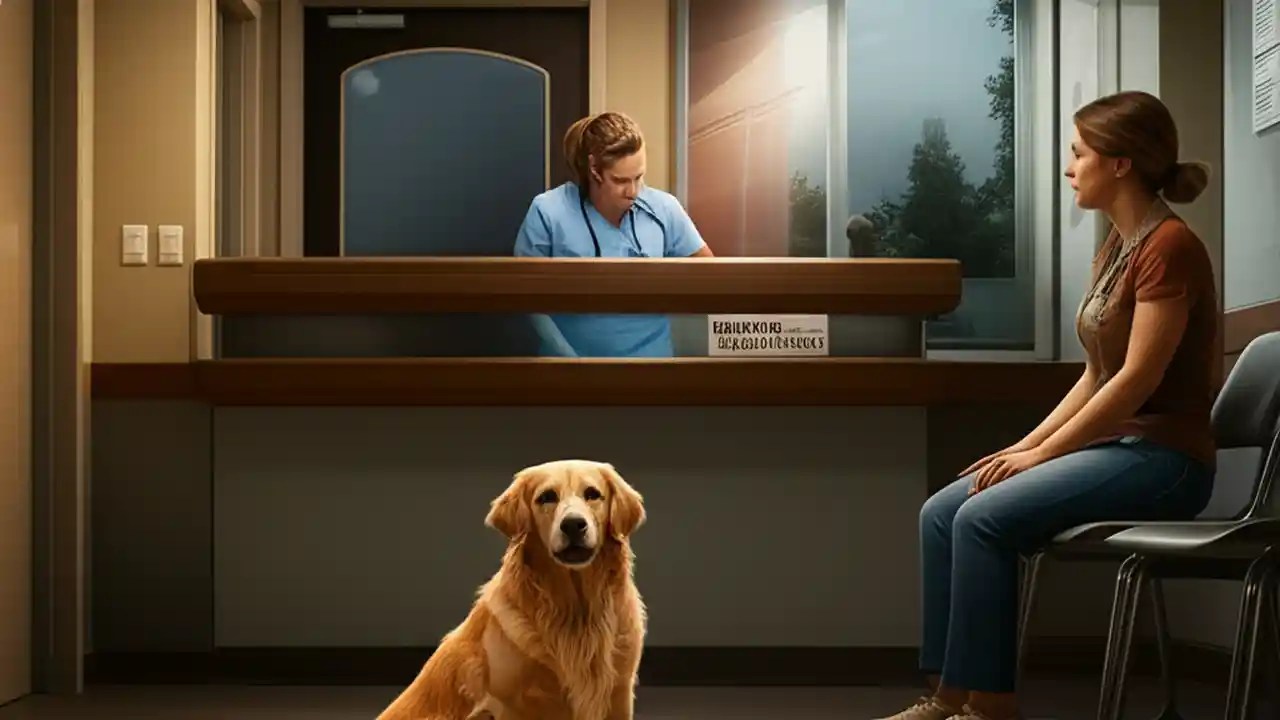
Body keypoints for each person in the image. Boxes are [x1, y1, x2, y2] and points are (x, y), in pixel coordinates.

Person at [878, 90, 1218, 720]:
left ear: (1119, 164)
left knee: (983, 518)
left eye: (1077, 152)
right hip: (1122, 445)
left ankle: (989, 707)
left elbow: (1136, 380)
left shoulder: (1170, 246)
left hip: (1167, 456)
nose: (1068, 166)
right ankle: (948, 696)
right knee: (941, 511)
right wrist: (1022, 447)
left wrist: (1043, 455)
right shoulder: (1117, 248)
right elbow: (1095, 374)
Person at [513, 111, 713, 358]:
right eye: (620, 181)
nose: (633, 191)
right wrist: (569, 360)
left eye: (639, 178)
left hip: (651, 368)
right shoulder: (548, 211)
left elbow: (708, 272)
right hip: (570, 368)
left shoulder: (664, 209)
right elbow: (527, 299)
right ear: (594, 169)